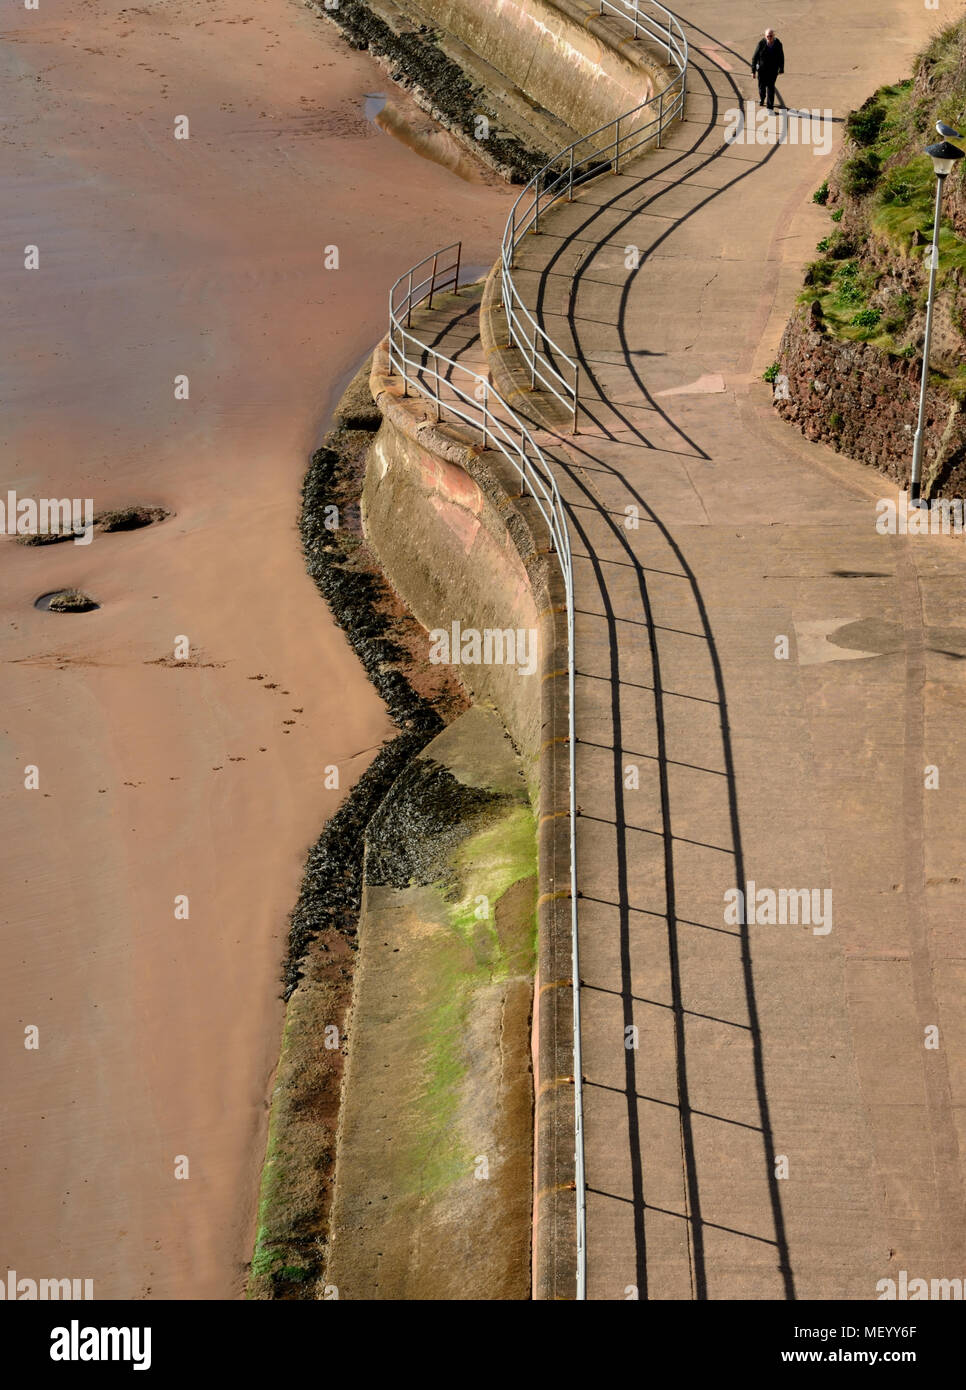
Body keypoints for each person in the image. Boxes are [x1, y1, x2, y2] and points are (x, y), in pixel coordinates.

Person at [751, 28, 784, 111]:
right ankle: (762, 98)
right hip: (762, 70)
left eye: (771, 36)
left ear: (774, 36)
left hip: (773, 70)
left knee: (771, 87)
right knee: (761, 87)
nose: (769, 37)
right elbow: (754, 58)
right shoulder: (761, 44)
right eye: (768, 36)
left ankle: (770, 107)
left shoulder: (778, 44)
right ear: (765, 36)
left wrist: (781, 68)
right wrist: (753, 71)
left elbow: (781, 56)